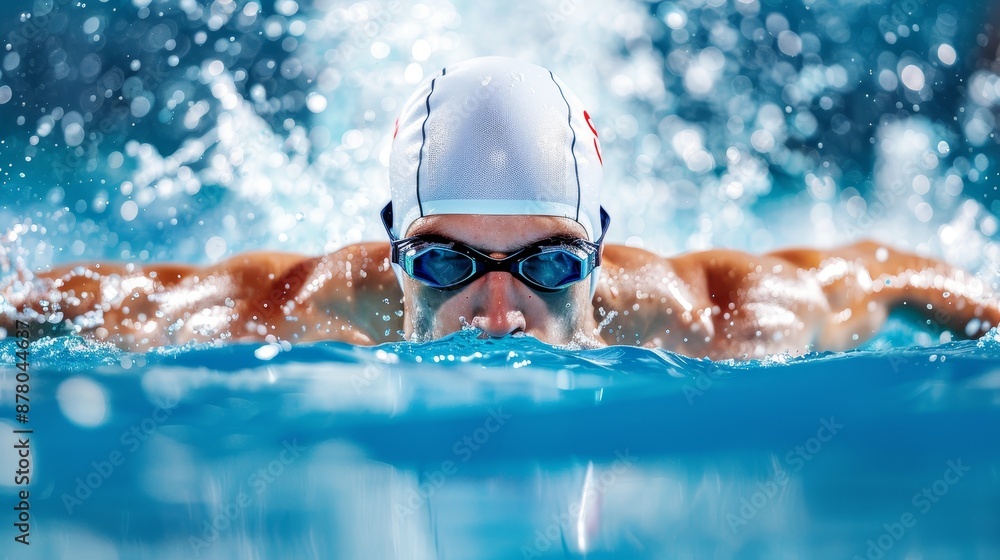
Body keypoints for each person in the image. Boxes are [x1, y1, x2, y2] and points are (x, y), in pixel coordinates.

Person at [1, 57, 998, 360]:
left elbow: (886, 273)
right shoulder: (289, 313)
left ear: (598, 249)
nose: (495, 315)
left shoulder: (725, 322)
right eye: (444, 263)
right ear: (393, 251)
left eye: (549, 266)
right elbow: (96, 297)